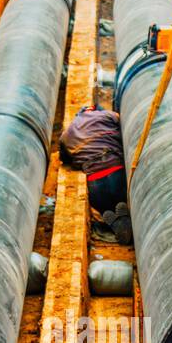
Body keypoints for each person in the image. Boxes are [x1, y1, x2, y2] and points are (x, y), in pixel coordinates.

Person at [59, 105, 132, 244]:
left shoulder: (67, 133)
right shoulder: (107, 115)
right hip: (116, 172)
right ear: (94, 110)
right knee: (126, 204)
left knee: (107, 207)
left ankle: (113, 223)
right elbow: (125, 127)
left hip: (95, 183)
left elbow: (65, 158)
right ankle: (127, 221)